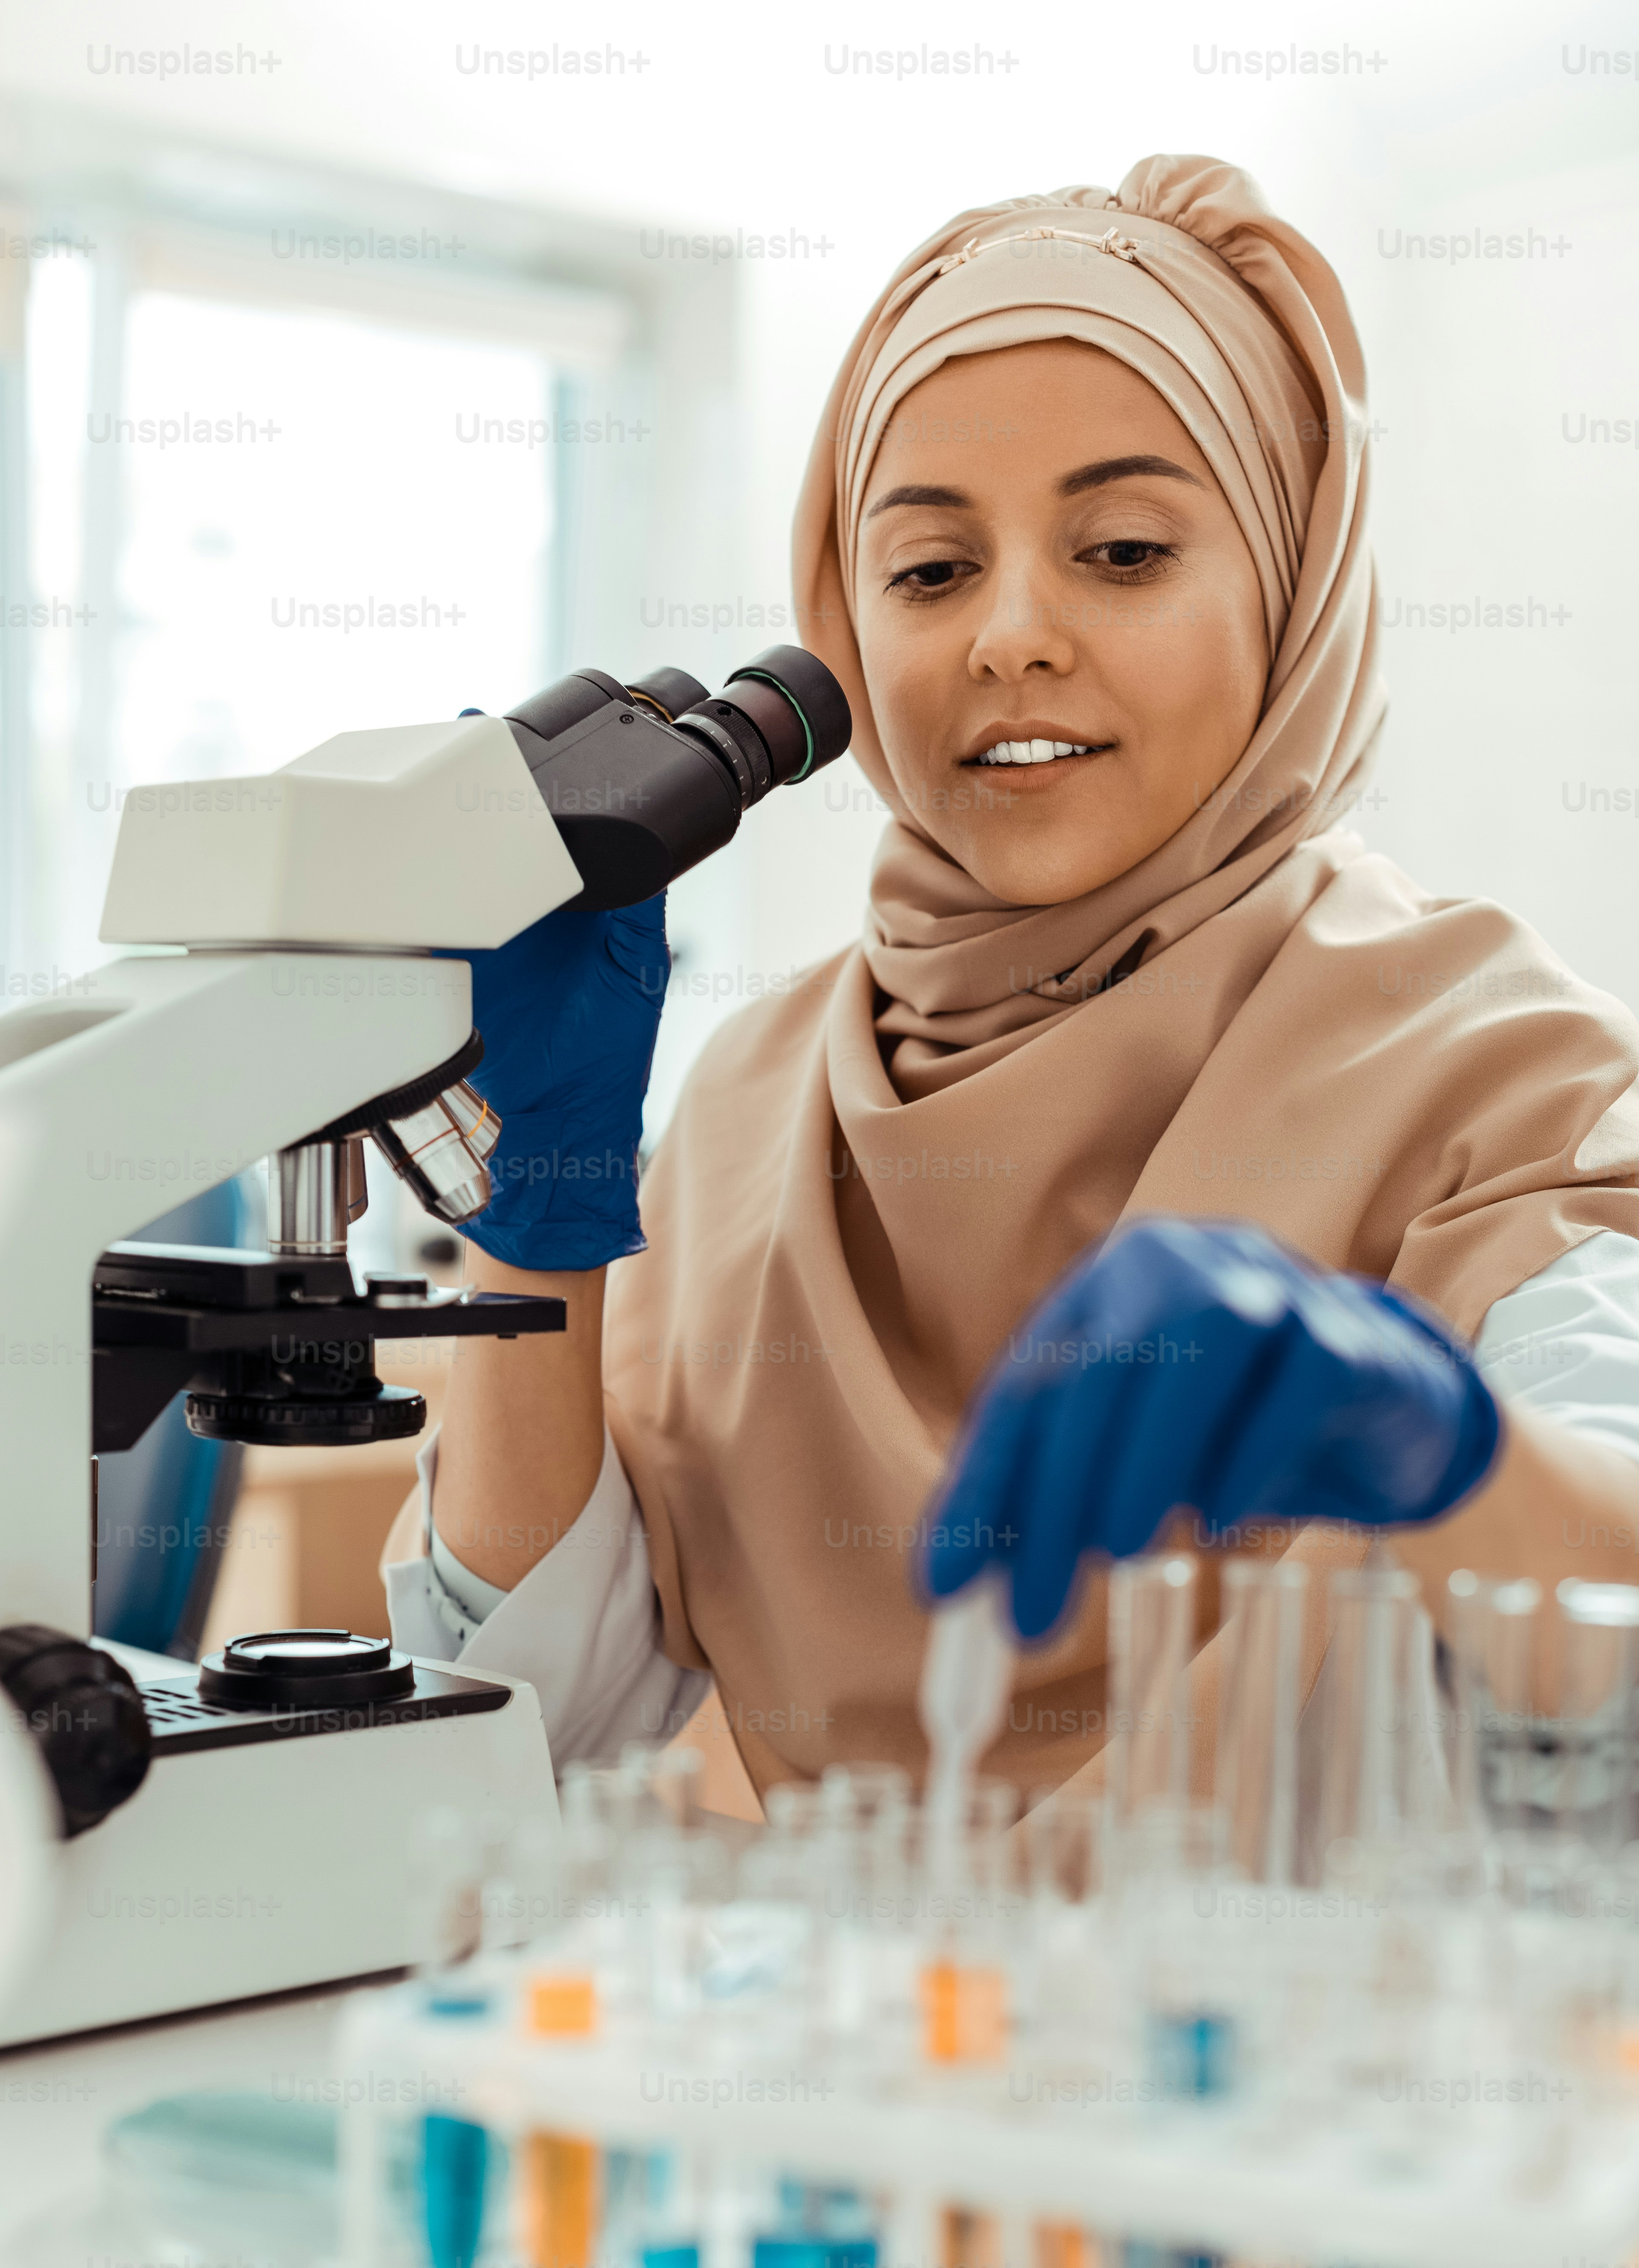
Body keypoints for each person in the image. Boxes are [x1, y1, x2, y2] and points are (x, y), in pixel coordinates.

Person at [385, 157, 1639, 1809]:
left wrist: (1446, 1450)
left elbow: (1608, 1657)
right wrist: (534, 1224)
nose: (1012, 636)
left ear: (1289, 592)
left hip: (1317, 2043)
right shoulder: (759, 1097)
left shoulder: (1502, 1068)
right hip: (849, 2039)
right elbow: (555, 1712)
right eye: (927, 571)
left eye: (1123, 550)